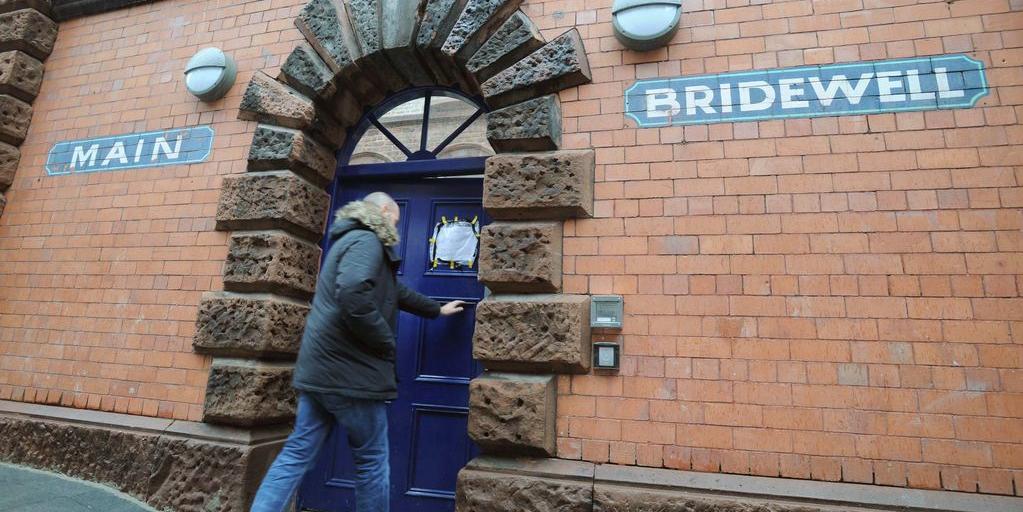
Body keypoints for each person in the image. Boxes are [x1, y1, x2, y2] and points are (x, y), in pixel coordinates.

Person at [250, 192, 467, 512]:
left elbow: (395, 292)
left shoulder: (348, 241)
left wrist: (437, 309)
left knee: (296, 454)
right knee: (372, 462)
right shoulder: (366, 240)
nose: (397, 226)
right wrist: (383, 339)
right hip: (351, 376)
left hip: (321, 374)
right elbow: (352, 290)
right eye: (395, 219)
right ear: (382, 211)